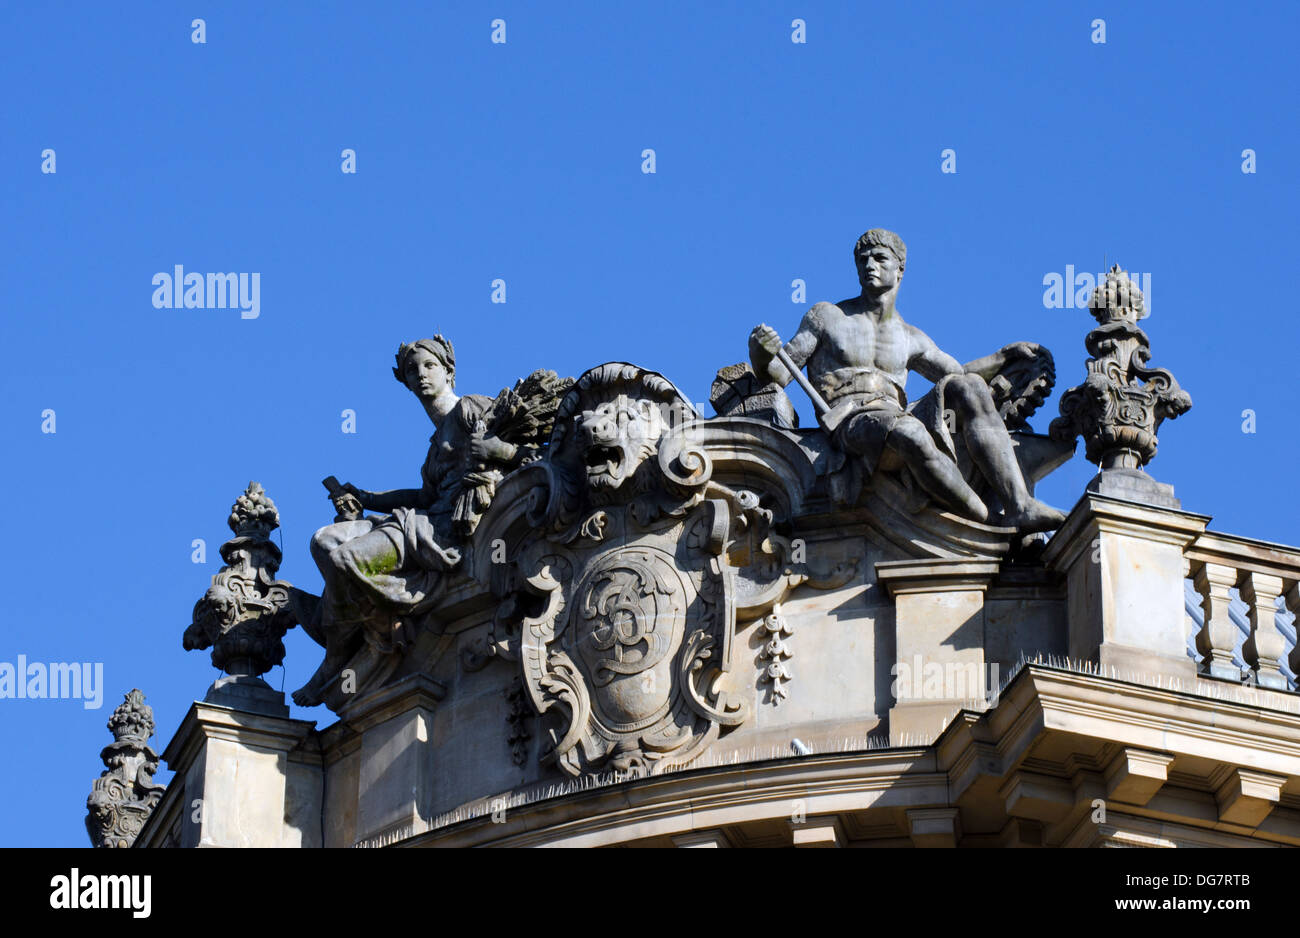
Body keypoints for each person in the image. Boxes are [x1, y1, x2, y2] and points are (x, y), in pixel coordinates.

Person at [749, 229, 1064, 532]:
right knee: (909, 432)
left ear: (900, 270)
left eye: (880, 258)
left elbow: (960, 373)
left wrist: (1002, 357)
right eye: (863, 260)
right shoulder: (827, 316)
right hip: (851, 418)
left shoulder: (910, 337)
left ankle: (1019, 504)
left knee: (969, 387)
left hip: (897, 410)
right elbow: (778, 373)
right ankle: (985, 522)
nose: (870, 266)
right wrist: (760, 354)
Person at [292, 335, 522, 706]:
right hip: (423, 519)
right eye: (412, 370)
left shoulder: (471, 409)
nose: (420, 375)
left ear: (449, 371)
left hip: (443, 531)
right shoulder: (435, 445)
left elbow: (532, 456)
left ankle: (344, 651)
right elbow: (424, 497)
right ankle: (368, 621)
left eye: (429, 366)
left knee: (345, 559)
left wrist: (500, 450)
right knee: (324, 541)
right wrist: (367, 498)